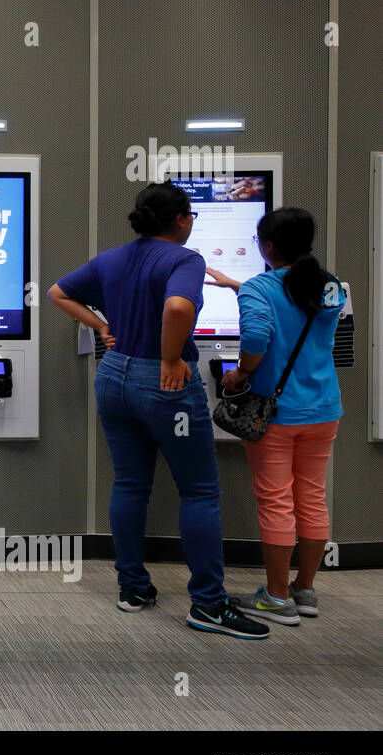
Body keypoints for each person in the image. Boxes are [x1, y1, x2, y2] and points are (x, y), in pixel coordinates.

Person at [48, 182, 269, 640]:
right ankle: (208, 605)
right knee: (200, 492)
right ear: (182, 220)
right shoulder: (184, 259)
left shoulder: (111, 258)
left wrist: (102, 325)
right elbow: (177, 307)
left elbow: (57, 293)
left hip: (114, 376)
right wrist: (171, 359)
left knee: (130, 483)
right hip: (163, 383)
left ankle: (133, 589)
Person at [206, 208, 344, 626]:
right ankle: (305, 590)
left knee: (276, 501)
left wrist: (240, 374)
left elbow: (258, 337)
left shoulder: (259, 289)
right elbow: (299, 312)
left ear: (266, 246)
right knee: (312, 496)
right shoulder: (330, 287)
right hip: (323, 409)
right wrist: (237, 286)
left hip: (277, 413)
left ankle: (276, 597)